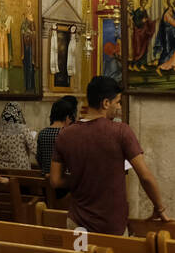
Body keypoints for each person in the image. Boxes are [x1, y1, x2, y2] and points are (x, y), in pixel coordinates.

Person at [49, 76, 168, 235]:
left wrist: (83, 177)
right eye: (117, 102)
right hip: (111, 226)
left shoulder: (65, 134)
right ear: (105, 103)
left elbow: (55, 181)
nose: (118, 106)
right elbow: (145, 176)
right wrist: (159, 208)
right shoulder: (121, 132)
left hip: (77, 225)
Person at [36, 95, 78, 176]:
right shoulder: (67, 134)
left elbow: (39, 159)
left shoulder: (42, 133)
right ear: (67, 117)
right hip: (62, 181)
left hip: (45, 181)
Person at [0, 102, 37, 170]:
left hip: (2, 169)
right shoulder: (23, 130)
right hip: (21, 169)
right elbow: (35, 149)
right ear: (19, 114)